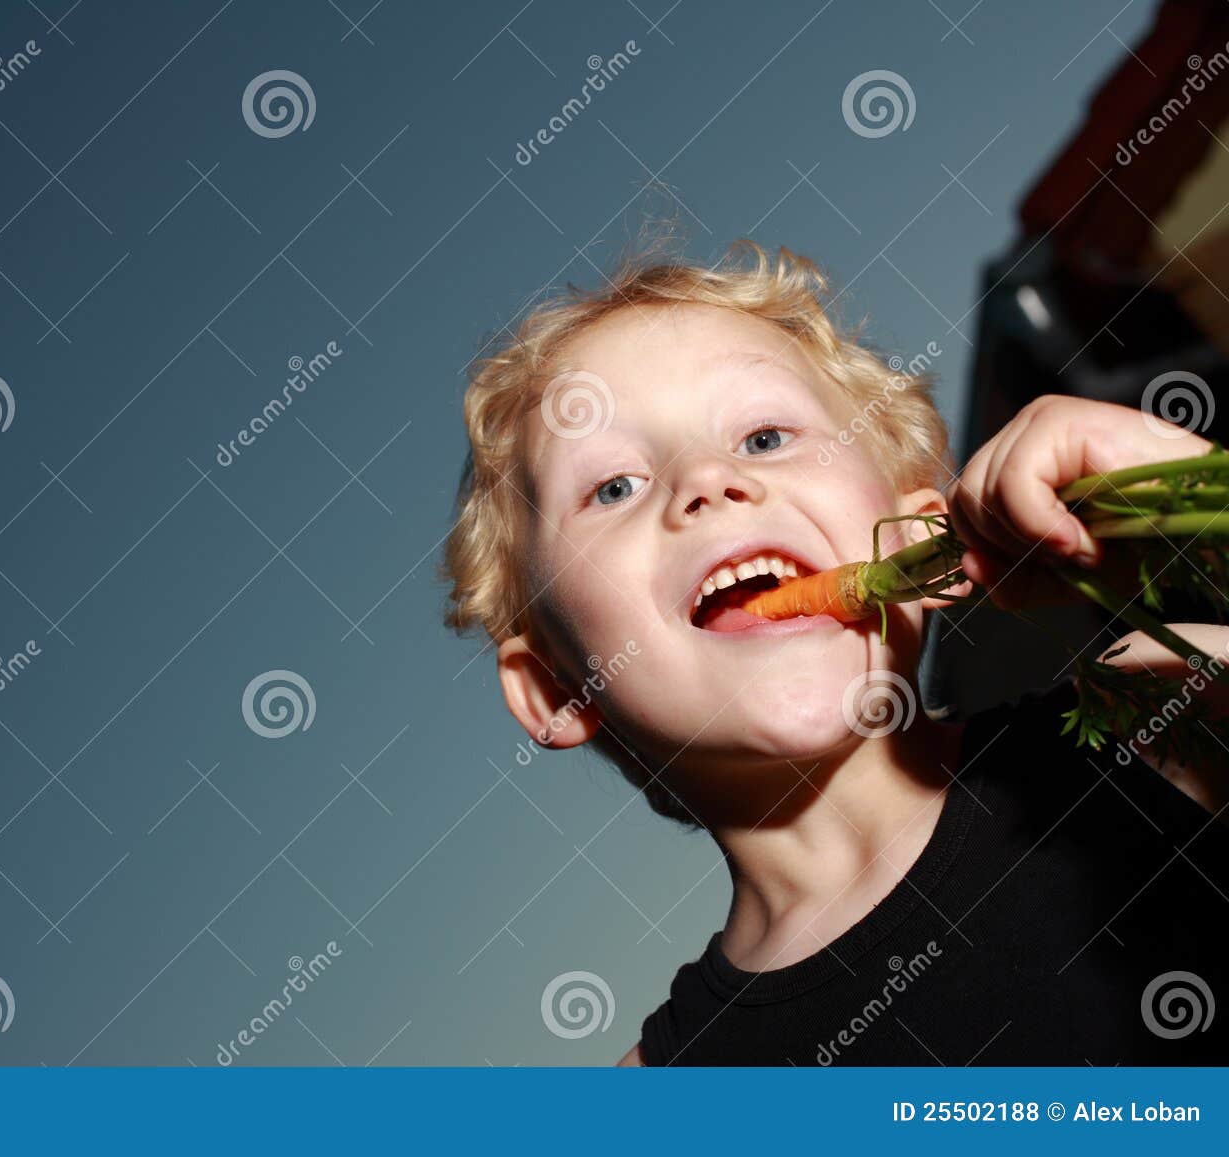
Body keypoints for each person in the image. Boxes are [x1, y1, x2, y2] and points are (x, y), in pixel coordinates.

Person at [440, 240, 1228, 1065]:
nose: (706, 478)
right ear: (557, 689)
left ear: (927, 540)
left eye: (766, 435)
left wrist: (1181, 499)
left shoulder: (1156, 715)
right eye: (613, 487)